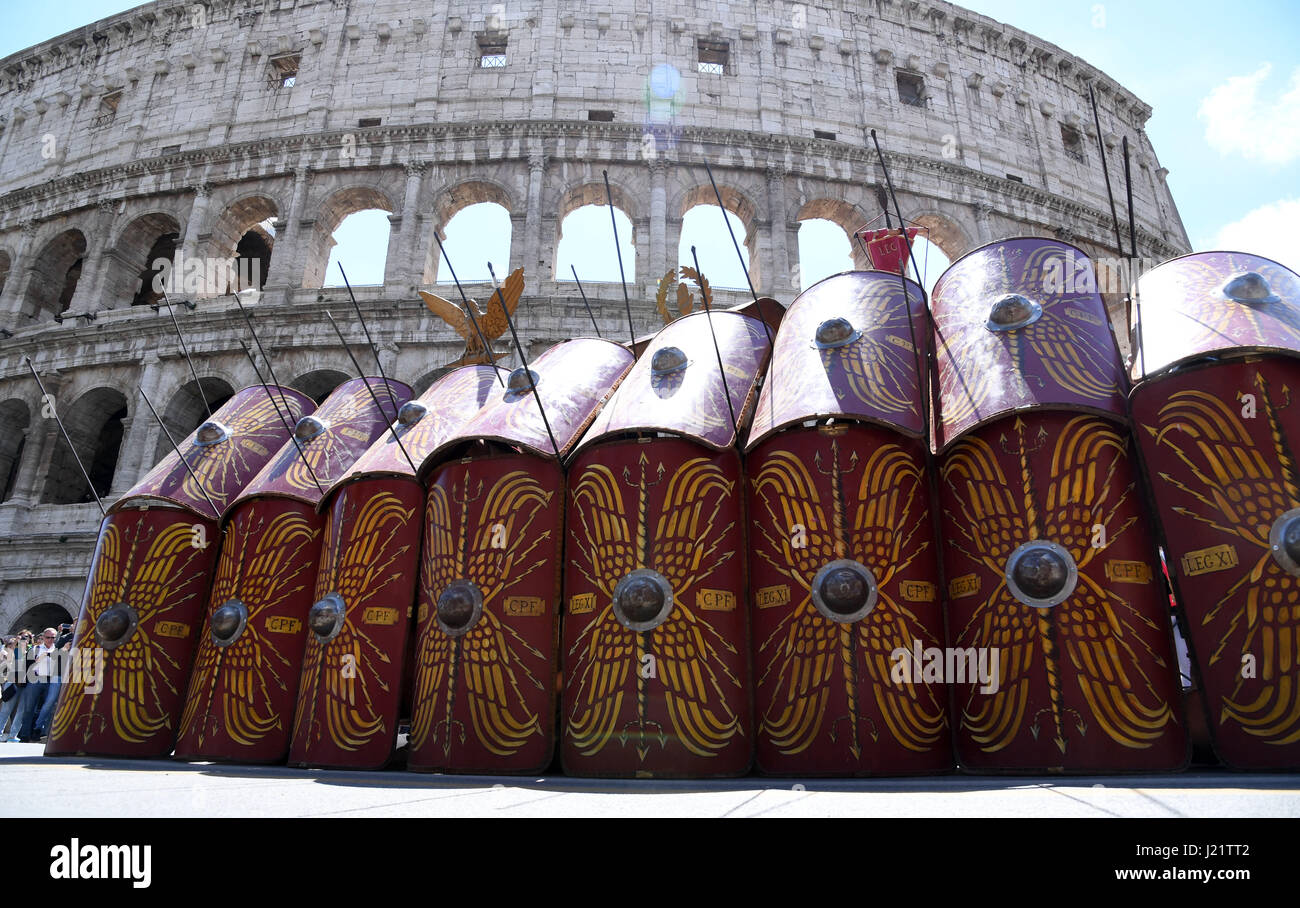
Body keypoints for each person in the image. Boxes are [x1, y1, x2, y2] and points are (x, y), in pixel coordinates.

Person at [16, 628, 63, 742]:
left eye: (53, 638)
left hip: (51, 680)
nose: (50, 640)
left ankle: (38, 731)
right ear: (43, 637)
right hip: (35, 678)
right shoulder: (36, 649)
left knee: (47, 707)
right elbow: (26, 665)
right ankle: (25, 734)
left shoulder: (58, 650)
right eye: (48, 637)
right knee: (29, 707)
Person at [0, 636, 20, 740]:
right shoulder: (4, 653)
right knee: (6, 708)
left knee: (14, 709)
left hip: (16, 682)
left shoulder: (21, 653)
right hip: (6, 682)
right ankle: (2, 731)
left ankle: (10, 733)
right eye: (11, 645)